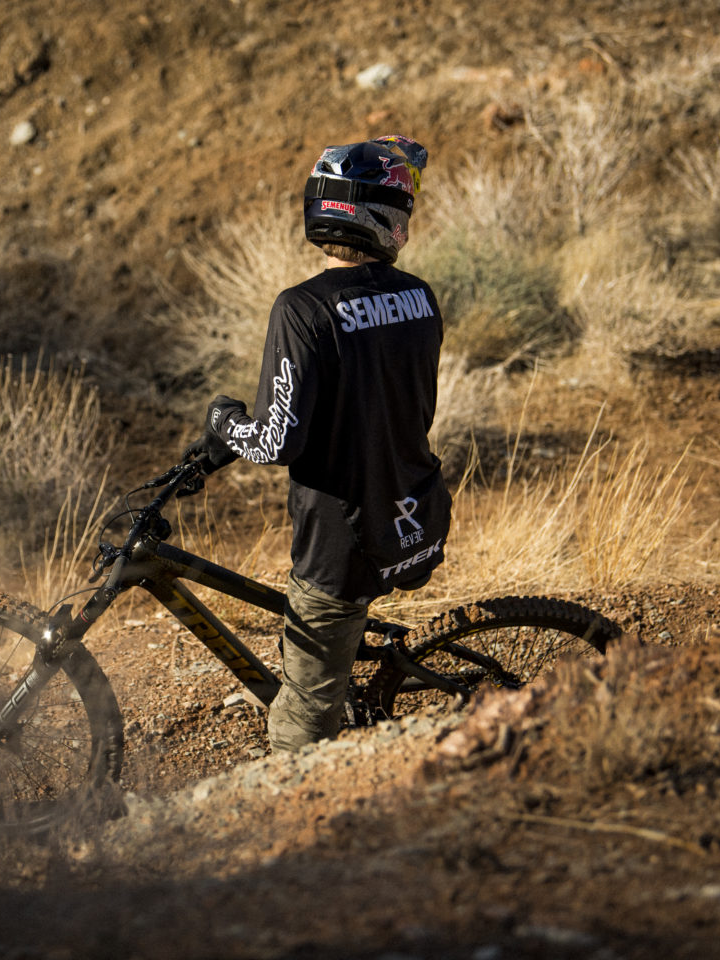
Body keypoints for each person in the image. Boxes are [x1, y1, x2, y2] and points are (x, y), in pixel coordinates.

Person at [184, 134, 450, 753]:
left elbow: (275, 439)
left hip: (340, 538)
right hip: (410, 507)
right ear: (388, 219)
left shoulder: (302, 309)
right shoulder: (420, 296)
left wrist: (223, 420)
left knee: (299, 725)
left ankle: (304, 803)